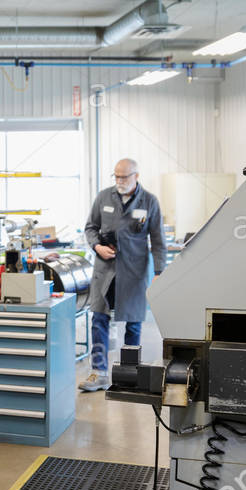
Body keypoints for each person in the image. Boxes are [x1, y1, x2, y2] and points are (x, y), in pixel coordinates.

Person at [78, 158, 166, 391]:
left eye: (124, 177)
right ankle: (99, 373)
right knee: (99, 318)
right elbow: (90, 228)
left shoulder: (149, 202)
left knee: (134, 323)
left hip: (135, 271)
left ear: (136, 176)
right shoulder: (103, 198)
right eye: (116, 176)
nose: (119, 181)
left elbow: (158, 241)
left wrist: (159, 272)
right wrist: (97, 246)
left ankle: (130, 374)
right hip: (105, 269)